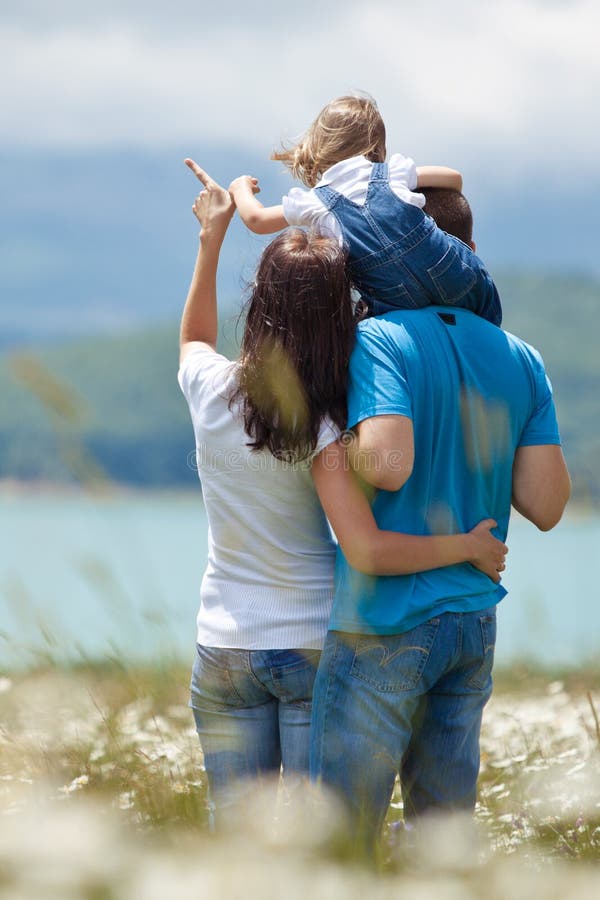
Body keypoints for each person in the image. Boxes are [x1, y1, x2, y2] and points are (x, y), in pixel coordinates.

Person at [178, 161, 507, 827]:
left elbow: (194, 338)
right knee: (312, 848)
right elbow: (367, 548)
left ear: (261, 300)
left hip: (220, 646)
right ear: (338, 314)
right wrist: (465, 546)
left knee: (234, 844)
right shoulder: (325, 426)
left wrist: (211, 237)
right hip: (308, 646)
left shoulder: (208, 389)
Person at [310, 186, 571, 853]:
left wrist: (330, 451)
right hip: (473, 620)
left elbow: (389, 466)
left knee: (342, 843)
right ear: (469, 257)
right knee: (444, 847)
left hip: (386, 620)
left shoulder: (378, 340)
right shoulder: (522, 356)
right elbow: (546, 506)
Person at [228, 93, 501, 323]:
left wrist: (240, 188)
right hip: (452, 270)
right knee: (487, 312)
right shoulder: (391, 172)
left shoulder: (315, 203)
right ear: (378, 147)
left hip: (394, 302)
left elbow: (256, 219)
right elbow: (454, 178)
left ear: (317, 148)